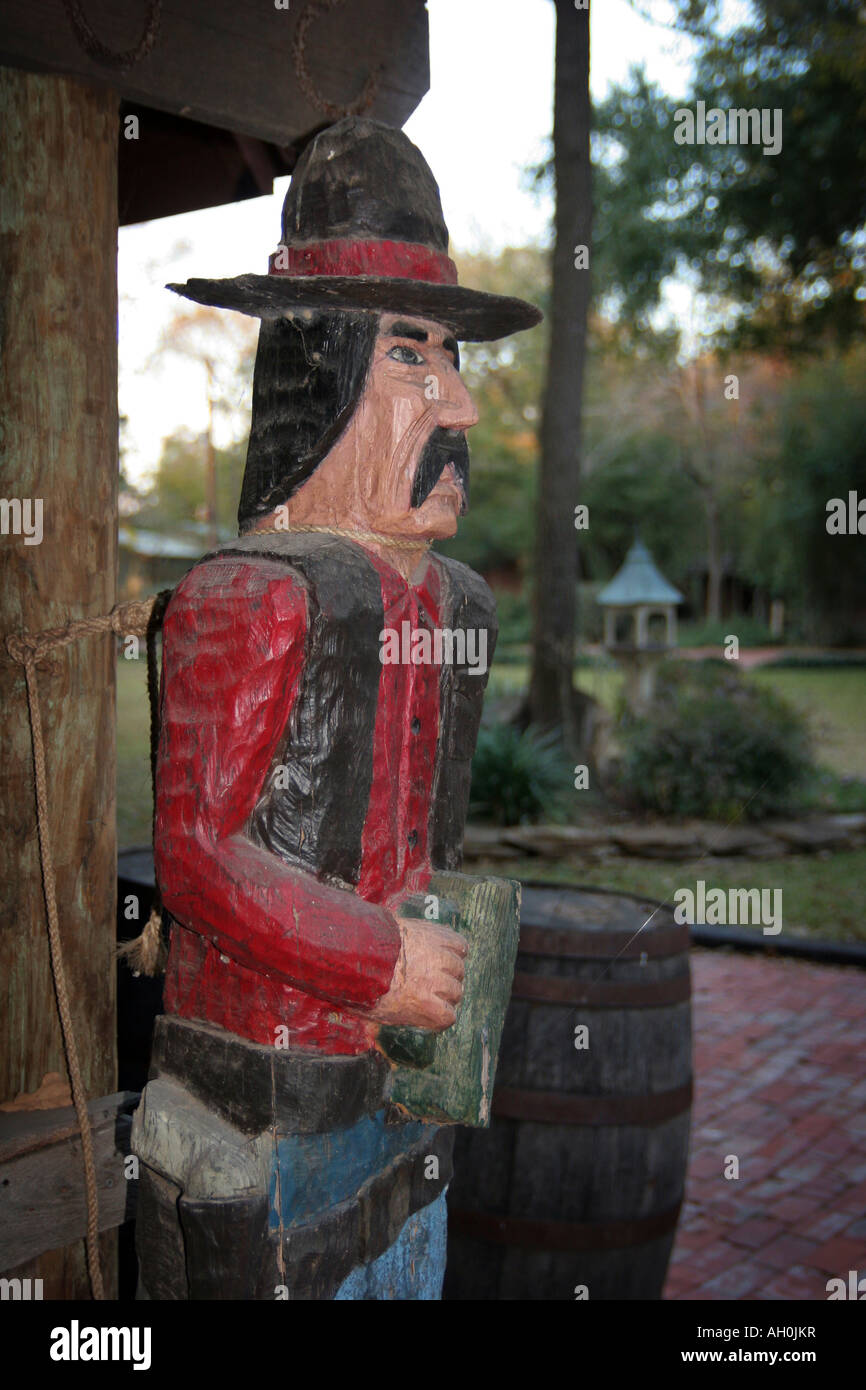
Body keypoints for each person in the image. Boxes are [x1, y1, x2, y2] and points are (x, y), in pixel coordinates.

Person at [131, 116, 541, 1300]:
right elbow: (200, 857)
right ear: (322, 370)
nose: (457, 407)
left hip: (408, 1098)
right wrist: (375, 958)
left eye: (456, 362)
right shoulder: (248, 596)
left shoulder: (454, 600)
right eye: (415, 358)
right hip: (264, 1099)